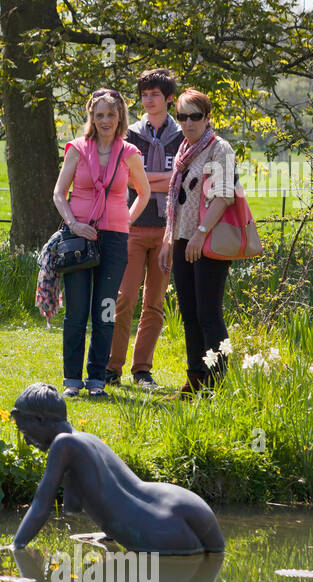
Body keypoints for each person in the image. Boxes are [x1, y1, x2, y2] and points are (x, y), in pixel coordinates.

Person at [9, 383, 225, 554]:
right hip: (188, 506)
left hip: (157, 530)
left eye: (25, 431)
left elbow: (41, 506)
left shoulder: (63, 445)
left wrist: (16, 547)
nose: (27, 441)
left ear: (40, 419)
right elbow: (80, 505)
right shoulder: (87, 439)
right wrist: (109, 533)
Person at [51, 89, 152, 398]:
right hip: (79, 236)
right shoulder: (77, 149)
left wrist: (126, 221)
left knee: (106, 310)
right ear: (91, 118)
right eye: (99, 115)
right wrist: (74, 224)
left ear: (119, 116)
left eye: (111, 114)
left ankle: (97, 379)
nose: (105, 120)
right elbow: (58, 193)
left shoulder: (130, 153)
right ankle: (72, 380)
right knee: (77, 312)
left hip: (114, 241)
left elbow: (144, 193)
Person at [106, 69, 184, 390]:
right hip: (133, 227)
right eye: (144, 94)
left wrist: (144, 180)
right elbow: (123, 176)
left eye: (155, 94)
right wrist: (159, 181)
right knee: (123, 297)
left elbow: (182, 178)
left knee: (154, 303)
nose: (148, 100)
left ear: (168, 99)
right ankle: (112, 367)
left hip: (168, 230)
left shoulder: (182, 136)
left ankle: (142, 370)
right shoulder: (130, 135)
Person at [156, 89, 237, 396]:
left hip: (208, 240)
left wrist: (200, 233)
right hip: (182, 239)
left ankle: (219, 384)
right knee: (188, 313)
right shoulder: (183, 150)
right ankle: (195, 381)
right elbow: (176, 203)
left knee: (209, 313)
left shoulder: (219, 149)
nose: (188, 123)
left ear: (207, 117)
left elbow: (224, 195)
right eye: (182, 116)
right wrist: (168, 240)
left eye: (195, 116)